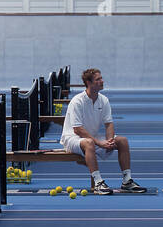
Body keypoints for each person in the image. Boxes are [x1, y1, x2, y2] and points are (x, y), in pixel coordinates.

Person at [60, 67, 147, 195]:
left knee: (122, 141)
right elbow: (78, 130)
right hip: (72, 138)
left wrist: (110, 141)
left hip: (91, 137)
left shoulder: (103, 100)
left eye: (101, 78)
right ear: (89, 83)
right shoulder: (77, 101)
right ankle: (98, 183)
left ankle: (127, 181)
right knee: (89, 143)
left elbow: (109, 124)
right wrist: (100, 143)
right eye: (98, 79)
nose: (102, 81)